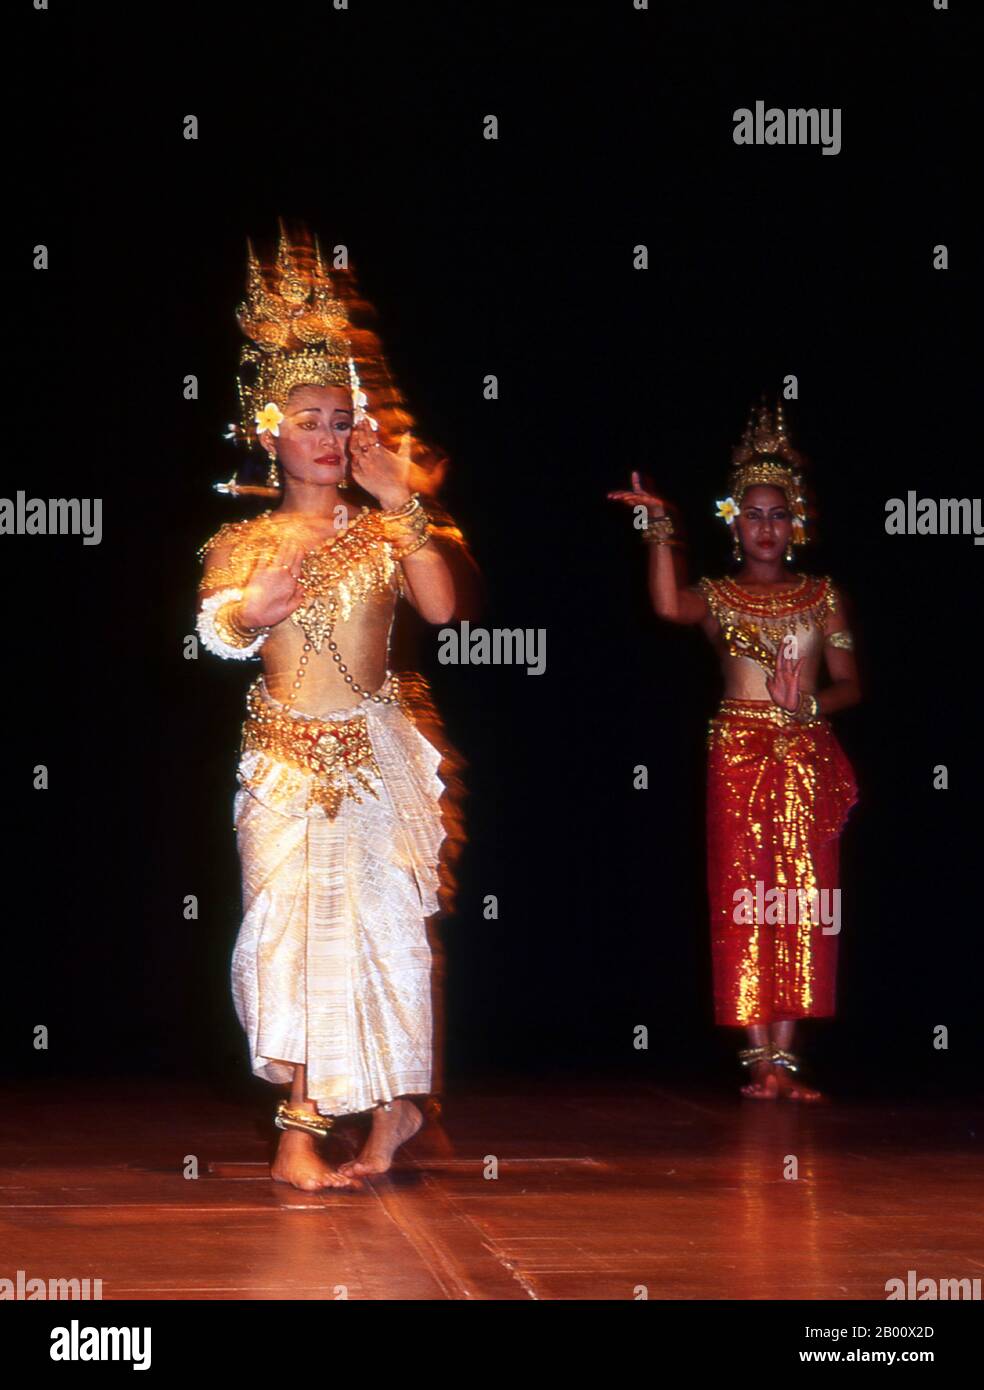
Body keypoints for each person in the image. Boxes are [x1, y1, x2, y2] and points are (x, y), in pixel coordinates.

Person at [196, 222, 472, 1188]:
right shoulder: (245, 538)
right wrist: (248, 609)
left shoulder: (384, 527)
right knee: (285, 934)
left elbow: (441, 605)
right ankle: (300, 1128)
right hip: (280, 762)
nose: (326, 436)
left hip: (375, 756)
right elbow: (218, 630)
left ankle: (393, 1112)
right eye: (307, 419)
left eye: (339, 418)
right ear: (269, 430)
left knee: (387, 934)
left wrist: (403, 502)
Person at [608, 399, 859, 1101]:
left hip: (804, 752)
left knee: (802, 903)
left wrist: (804, 707)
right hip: (739, 754)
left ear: (796, 521)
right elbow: (664, 607)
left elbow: (850, 685)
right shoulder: (716, 595)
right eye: (753, 513)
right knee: (747, 900)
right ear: (734, 521)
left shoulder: (823, 594)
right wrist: (660, 526)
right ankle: (760, 1062)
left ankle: (791, 1059)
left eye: (779, 514)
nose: (767, 527)